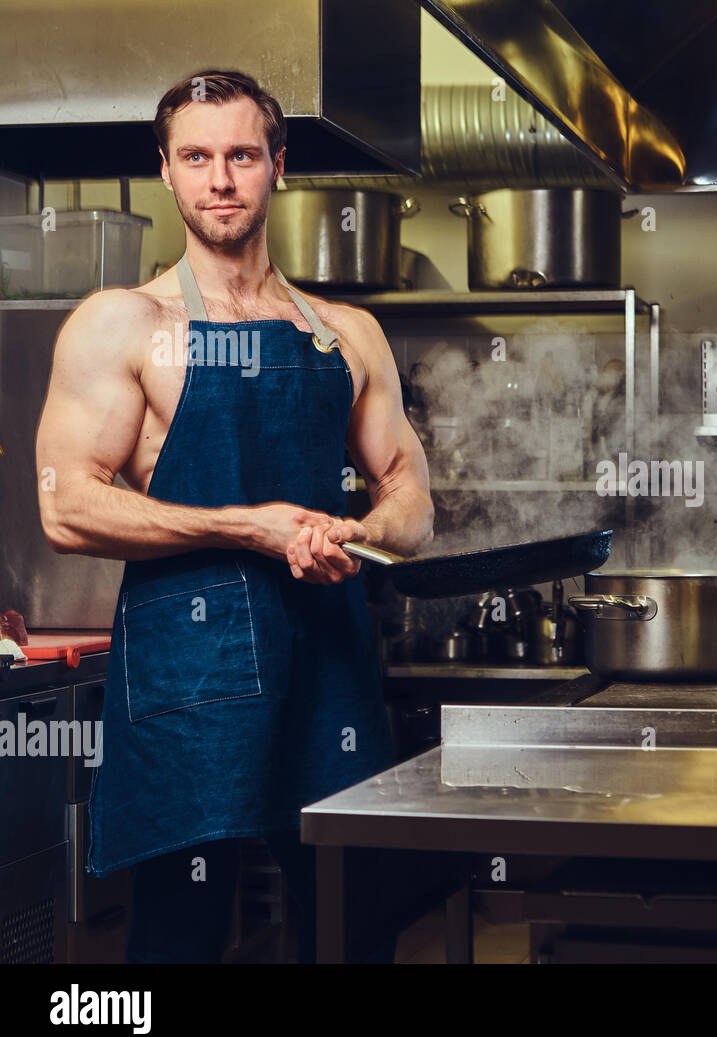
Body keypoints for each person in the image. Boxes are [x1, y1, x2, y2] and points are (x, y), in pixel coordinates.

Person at [34, 69, 434, 962]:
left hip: (328, 665)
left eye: (243, 156)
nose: (221, 179)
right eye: (198, 157)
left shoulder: (343, 332)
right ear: (168, 173)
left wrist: (363, 531)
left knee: (350, 928)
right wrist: (247, 527)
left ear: (278, 167)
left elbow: (411, 495)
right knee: (181, 936)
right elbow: (66, 506)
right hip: (191, 674)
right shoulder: (123, 324)